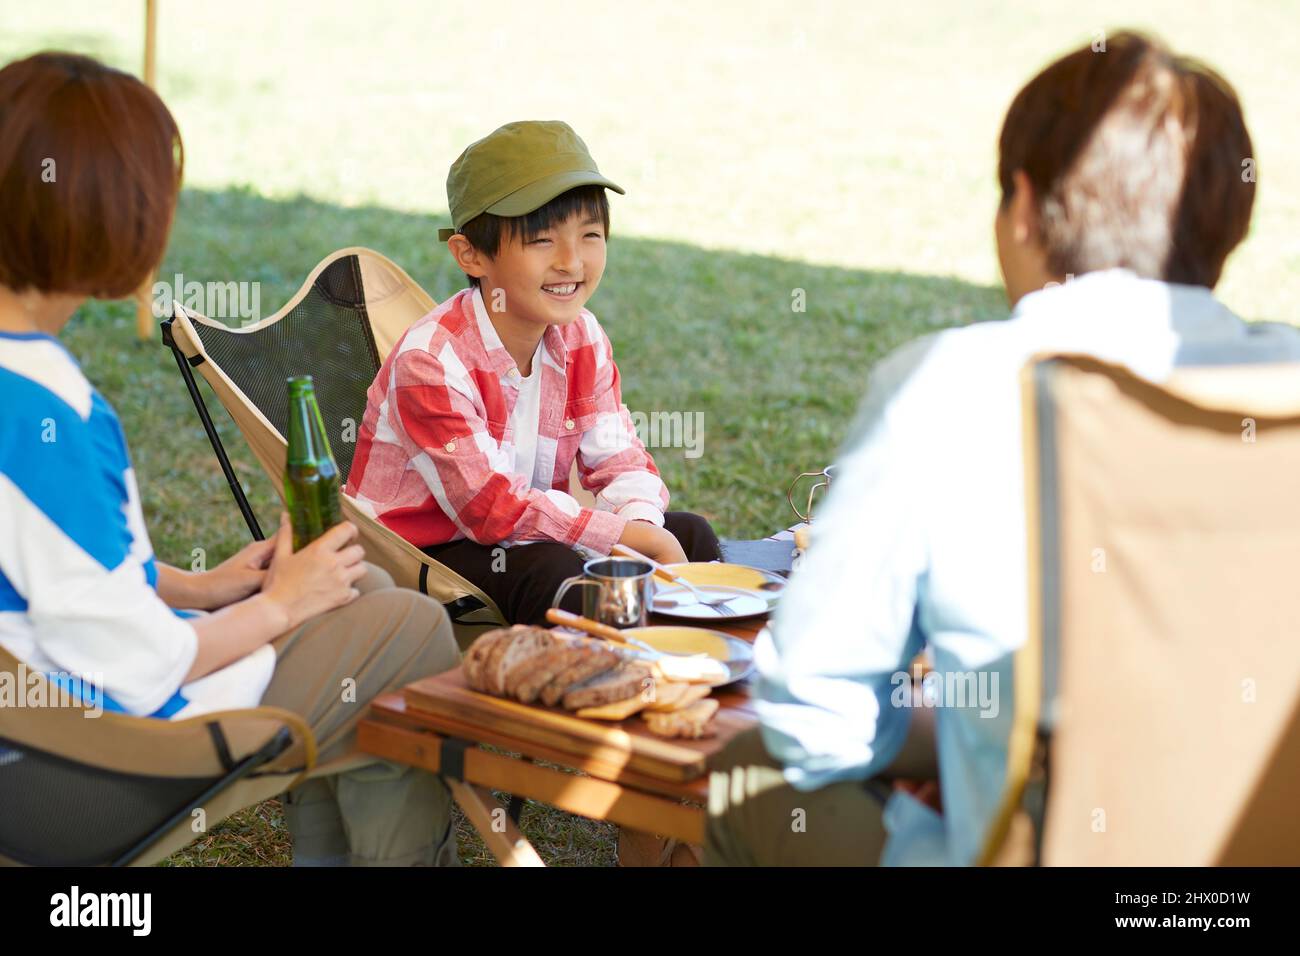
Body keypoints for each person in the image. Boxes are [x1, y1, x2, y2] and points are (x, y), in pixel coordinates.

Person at [705, 31, 1300, 866]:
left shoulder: (959, 386)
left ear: (1023, 205)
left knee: (750, 772)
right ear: (1231, 222)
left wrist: (973, 737)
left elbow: (813, 718)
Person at [0, 51, 460, 866]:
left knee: (366, 589)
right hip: (74, 774)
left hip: (36, 724)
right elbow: (142, 665)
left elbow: (45, 569)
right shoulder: (43, 412)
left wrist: (207, 587)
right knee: (412, 626)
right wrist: (279, 603)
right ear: (113, 214)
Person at [345, 121, 721, 626]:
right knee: (556, 570)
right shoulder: (430, 363)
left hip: (519, 534)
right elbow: (489, 508)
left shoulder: (580, 336)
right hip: (421, 557)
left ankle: (686, 660)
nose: (571, 261)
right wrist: (626, 540)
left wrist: (639, 524)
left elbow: (619, 455)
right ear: (471, 255)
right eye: (542, 240)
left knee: (689, 533)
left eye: (590, 234)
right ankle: (602, 679)